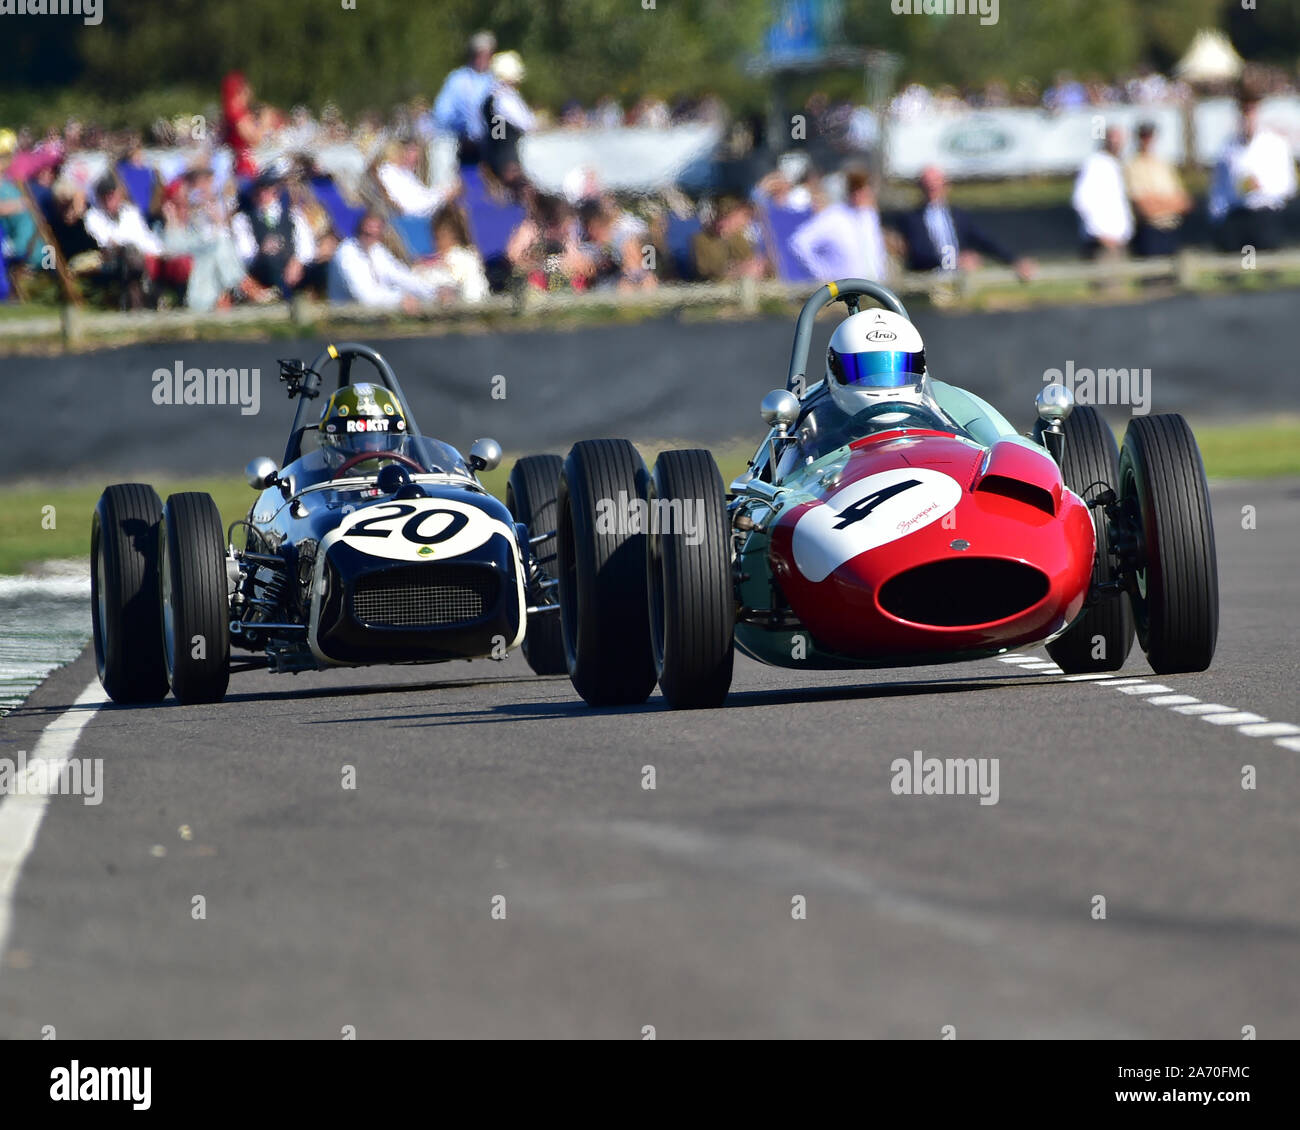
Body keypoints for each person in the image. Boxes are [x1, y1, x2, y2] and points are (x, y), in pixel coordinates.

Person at [774, 307, 1016, 480]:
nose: (883, 383)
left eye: (899, 367)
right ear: (835, 367)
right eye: (863, 369)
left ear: (920, 367)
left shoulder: (950, 415)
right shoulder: (814, 426)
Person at [895, 165, 1036, 280]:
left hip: (958, 279)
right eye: (928, 186)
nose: (932, 190)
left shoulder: (958, 216)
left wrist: (1014, 261)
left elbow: (984, 241)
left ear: (946, 186)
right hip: (927, 281)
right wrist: (953, 262)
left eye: (935, 185)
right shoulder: (911, 219)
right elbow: (919, 252)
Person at [1209, 90, 1298, 252]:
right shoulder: (1228, 147)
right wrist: (1217, 217)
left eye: (1251, 112)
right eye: (1244, 113)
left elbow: (1288, 186)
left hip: (1266, 215)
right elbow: (1219, 188)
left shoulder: (1275, 145)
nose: (1247, 119)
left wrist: (1263, 187)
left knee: (1265, 262)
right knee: (1242, 262)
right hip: (1238, 215)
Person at [789, 165, 889, 282]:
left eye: (863, 188)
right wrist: (823, 273)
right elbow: (799, 243)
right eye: (855, 189)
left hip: (874, 289)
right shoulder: (833, 216)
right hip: (843, 292)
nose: (860, 194)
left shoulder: (869, 216)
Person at [231, 167, 316, 298]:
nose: (264, 195)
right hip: (263, 268)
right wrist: (262, 252)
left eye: (268, 190)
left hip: (293, 266)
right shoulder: (243, 220)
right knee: (271, 260)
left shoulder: (293, 215)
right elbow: (245, 254)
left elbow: (307, 246)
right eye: (260, 191)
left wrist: (297, 261)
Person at [327, 210, 435, 311]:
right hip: (346, 316)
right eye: (367, 232)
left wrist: (433, 292)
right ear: (359, 229)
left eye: (375, 233)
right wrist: (400, 299)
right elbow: (365, 296)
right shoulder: (346, 252)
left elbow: (400, 275)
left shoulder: (376, 250)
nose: (371, 236)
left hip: (373, 315)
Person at [1125, 121, 1192, 257]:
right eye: (1143, 136)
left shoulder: (1163, 164)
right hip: (1150, 232)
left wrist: (1157, 201)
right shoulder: (1132, 166)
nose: (1147, 140)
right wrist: (1168, 202)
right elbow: (1145, 208)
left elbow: (1184, 202)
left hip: (1172, 229)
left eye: (1149, 136)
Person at [433, 31, 497, 166]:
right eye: (479, 54)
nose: (483, 59)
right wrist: (462, 128)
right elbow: (442, 113)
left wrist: (499, 137)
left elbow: (503, 115)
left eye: (487, 54)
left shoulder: (496, 80)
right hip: (467, 147)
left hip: (494, 147)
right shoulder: (458, 80)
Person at [316, 381, 410, 471]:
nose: (369, 449)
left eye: (375, 441)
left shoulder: (414, 480)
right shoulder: (313, 483)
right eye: (359, 441)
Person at [1071, 126, 1133, 259]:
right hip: (1103, 243)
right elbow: (1081, 200)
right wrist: (1100, 234)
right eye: (1113, 139)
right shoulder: (1095, 164)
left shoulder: (1116, 165)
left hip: (1118, 241)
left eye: (1119, 140)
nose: (1116, 144)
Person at [479, 51, 534, 191]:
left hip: (502, 159)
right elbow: (527, 124)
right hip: (510, 163)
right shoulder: (504, 99)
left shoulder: (494, 97)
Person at [413, 204, 489, 303]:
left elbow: (473, 294)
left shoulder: (465, 259)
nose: (436, 242)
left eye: (440, 236)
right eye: (435, 237)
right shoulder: (427, 264)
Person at [374, 138, 457, 218]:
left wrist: (443, 193)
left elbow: (423, 195)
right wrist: (443, 196)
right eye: (410, 151)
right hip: (412, 221)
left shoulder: (406, 173)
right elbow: (413, 207)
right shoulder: (388, 173)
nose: (415, 157)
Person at [692, 197, 766, 281]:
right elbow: (708, 276)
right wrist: (737, 272)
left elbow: (750, 262)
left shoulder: (737, 237)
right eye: (744, 216)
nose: (745, 223)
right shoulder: (700, 241)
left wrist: (757, 266)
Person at [0, 129, 44, 272]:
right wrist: (20, 205)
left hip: (31, 250)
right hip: (19, 250)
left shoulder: (11, 184)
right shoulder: (10, 185)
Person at [221, 72, 263, 181]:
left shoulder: (235, 111)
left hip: (241, 160)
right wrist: (265, 122)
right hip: (243, 164)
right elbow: (254, 139)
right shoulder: (236, 113)